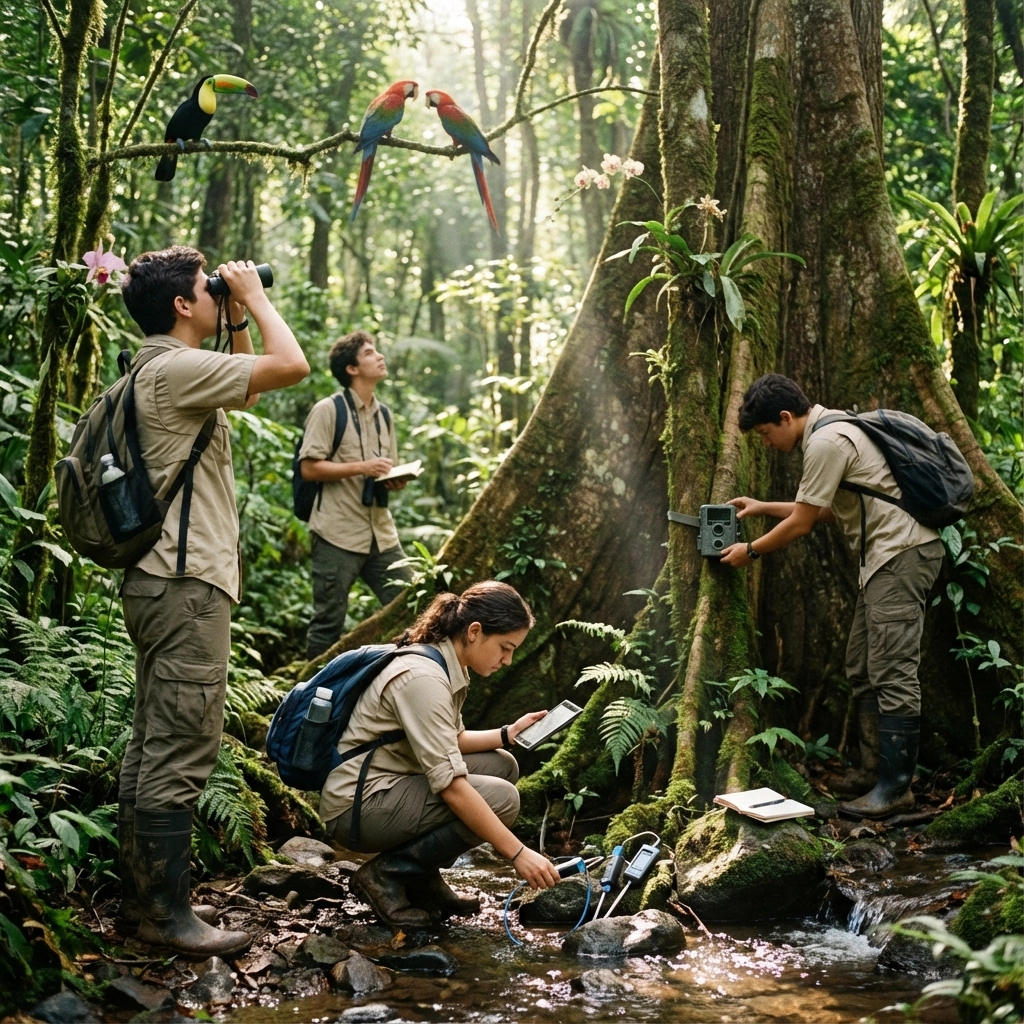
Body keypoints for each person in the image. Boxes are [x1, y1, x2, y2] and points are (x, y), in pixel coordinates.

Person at [117, 247, 309, 956]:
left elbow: (249, 389)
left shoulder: (157, 368)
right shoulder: (174, 369)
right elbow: (291, 369)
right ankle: (165, 917)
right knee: (181, 745)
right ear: (180, 305)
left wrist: (230, 316)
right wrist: (255, 297)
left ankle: (144, 905)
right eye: (207, 287)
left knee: (151, 743)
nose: (217, 290)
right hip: (186, 585)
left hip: (157, 581)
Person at [719, 374, 944, 820]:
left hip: (901, 556)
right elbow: (822, 511)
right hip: (884, 561)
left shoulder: (825, 442)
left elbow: (802, 524)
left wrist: (751, 550)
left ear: (785, 417)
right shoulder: (833, 430)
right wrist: (763, 507)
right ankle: (871, 772)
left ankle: (897, 789)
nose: (766, 443)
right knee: (862, 666)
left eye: (766, 433)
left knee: (892, 670)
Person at [319, 580, 562, 928]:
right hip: (358, 805)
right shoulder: (424, 678)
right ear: (475, 631)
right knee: (502, 799)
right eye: (505, 648)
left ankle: (422, 878)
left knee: (502, 765)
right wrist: (518, 854)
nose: (507, 661)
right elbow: (450, 785)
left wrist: (507, 734)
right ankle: (385, 875)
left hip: (389, 783)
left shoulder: (448, 663)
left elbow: (451, 739)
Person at [299, 330, 414, 660]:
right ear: (351, 368)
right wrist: (362, 467)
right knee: (327, 624)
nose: (379, 357)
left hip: (381, 534)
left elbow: (381, 469)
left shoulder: (385, 415)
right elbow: (309, 468)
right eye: (369, 353)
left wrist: (393, 479)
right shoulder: (329, 410)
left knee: (412, 605)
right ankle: (307, 700)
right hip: (337, 533)